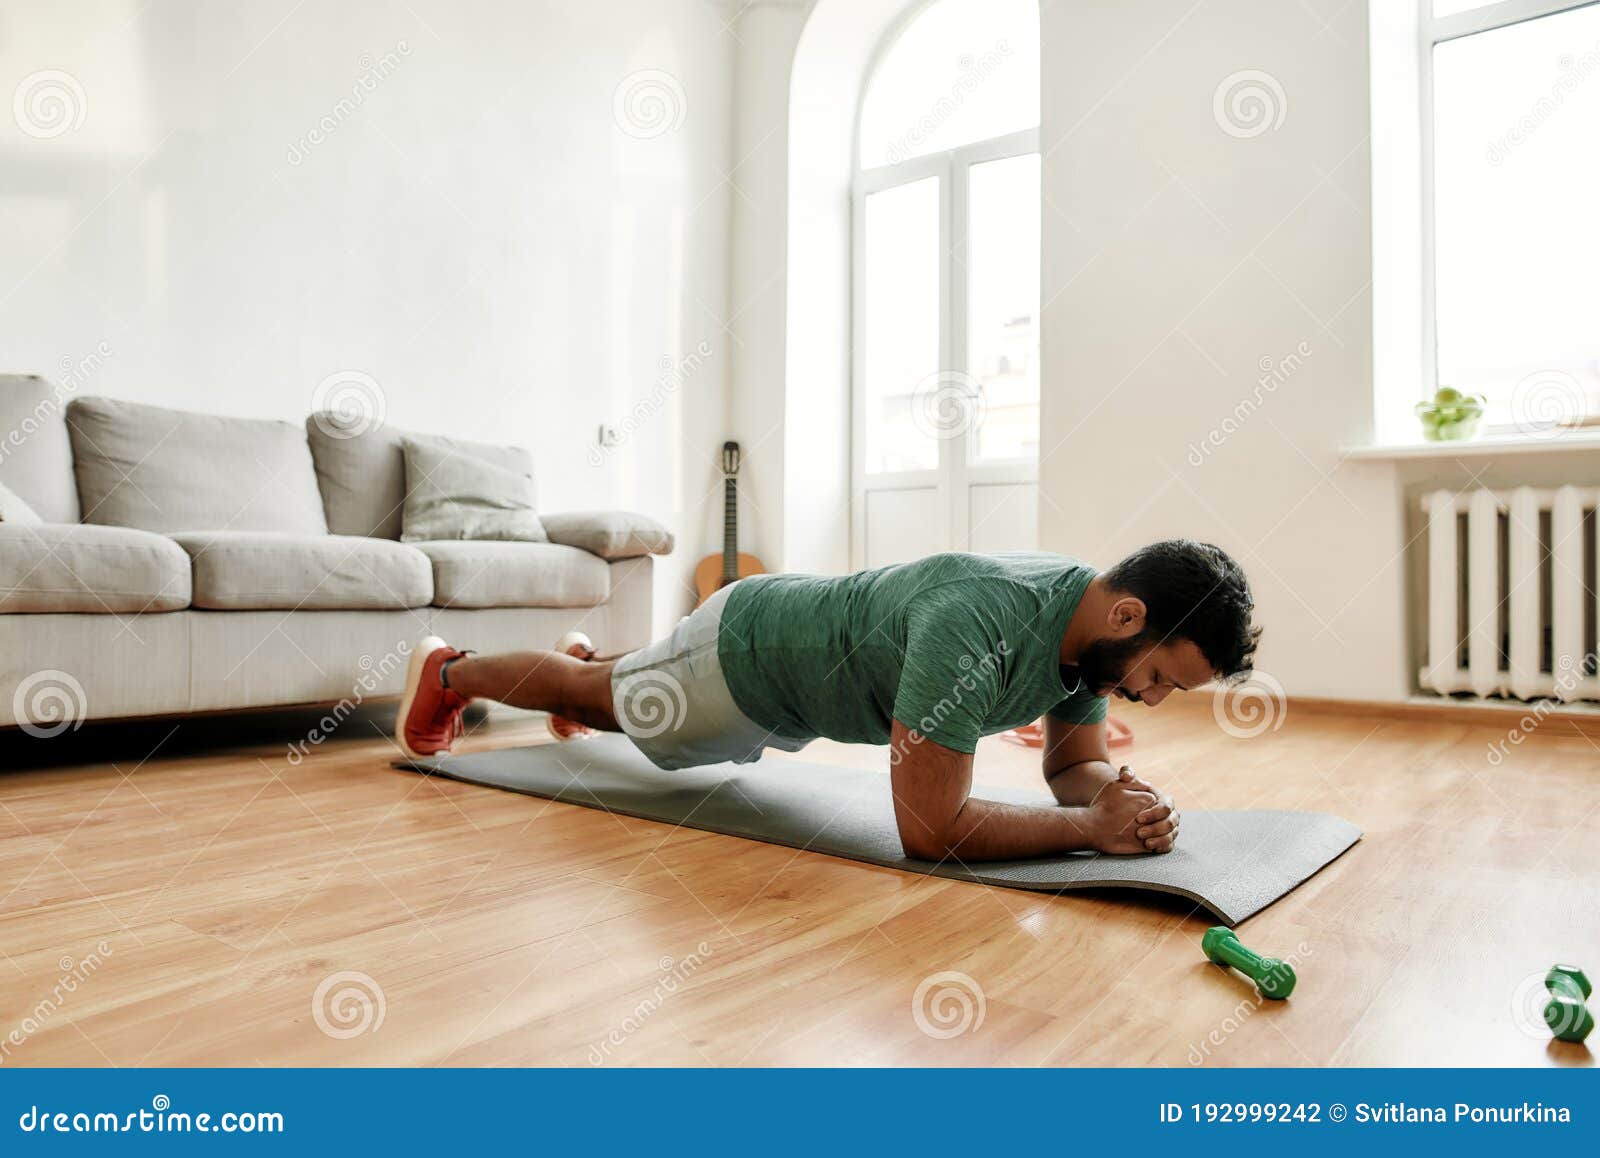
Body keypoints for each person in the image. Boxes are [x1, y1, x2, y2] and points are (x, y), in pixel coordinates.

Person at [396, 540, 1259, 863]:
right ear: (1129, 616)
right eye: (1160, 679)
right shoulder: (981, 622)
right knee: (602, 700)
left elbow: (1072, 762)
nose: (1147, 700)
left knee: (615, 684)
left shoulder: (1085, 635)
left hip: (782, 664)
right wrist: (1086, 832)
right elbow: (930, 831)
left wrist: (1113, 798)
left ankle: (599, 667)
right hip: (749, 662)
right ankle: (449, 671)